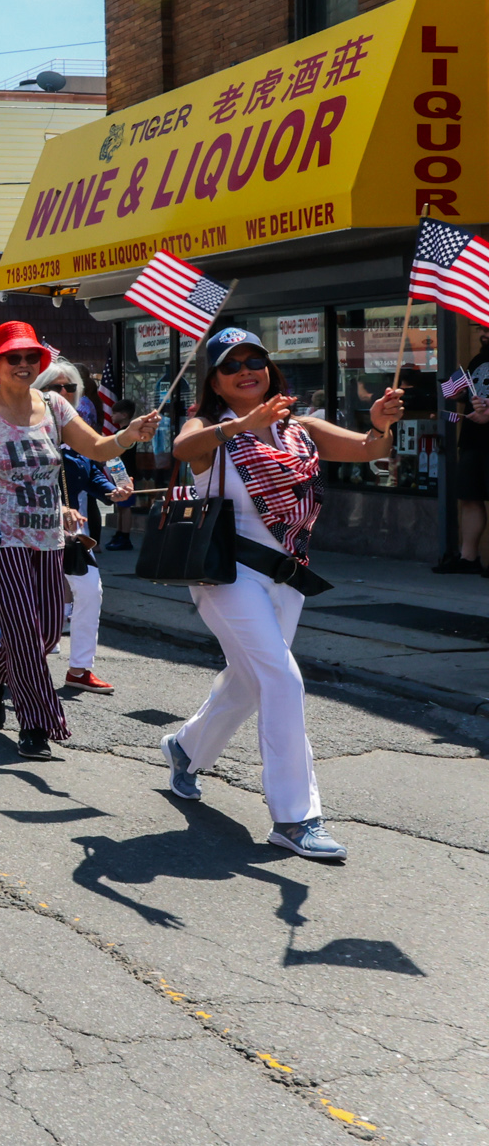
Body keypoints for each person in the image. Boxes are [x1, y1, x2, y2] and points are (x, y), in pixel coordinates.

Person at [160, 329, 400, 858]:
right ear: (216, 382)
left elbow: (367, 449)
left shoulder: (301, 428)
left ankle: (185, 748)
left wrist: (380, 425)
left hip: (286, 576)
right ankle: (295, 818)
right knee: (283, 680)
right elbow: (183, 448)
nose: (247, 370)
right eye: (232, 365)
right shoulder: (210, 427)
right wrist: (244, 424)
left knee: (250, 683)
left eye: (256, 361)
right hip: (227, 576)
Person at [0, 320, 157, 760]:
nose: (24, 364)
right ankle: (37, 723)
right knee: (26, 632)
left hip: (49, 538)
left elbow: (100, 449)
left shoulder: (54, 407)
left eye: (31, 357)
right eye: (14, 358)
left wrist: (130, 434)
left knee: (45, 633)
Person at [0, 361, 125, 695]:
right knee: (18, 606)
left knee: (87, 592)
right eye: (56, 387)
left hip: (65, 535)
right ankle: (34, 711)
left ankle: (79, 668)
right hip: (12, 530)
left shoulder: (74, 425)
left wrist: (112, 490)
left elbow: (93, 469)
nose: (63, 393)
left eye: (70, 388)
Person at [438, 344, 489, 574]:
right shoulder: (478, 360)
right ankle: (469, 558)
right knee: (469, 497)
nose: (482, 333)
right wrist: (460, 396)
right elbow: (471, 394)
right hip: (472, 438)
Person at [105, 398, 141, 550]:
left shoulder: (127, 433)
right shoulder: (119, 432)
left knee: (126, 507)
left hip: (127, 474)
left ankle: (125, 536)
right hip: (117, 473)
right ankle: (119, 532)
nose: (112, 416)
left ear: (125, 415)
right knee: (120, 506)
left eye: (115, 413)